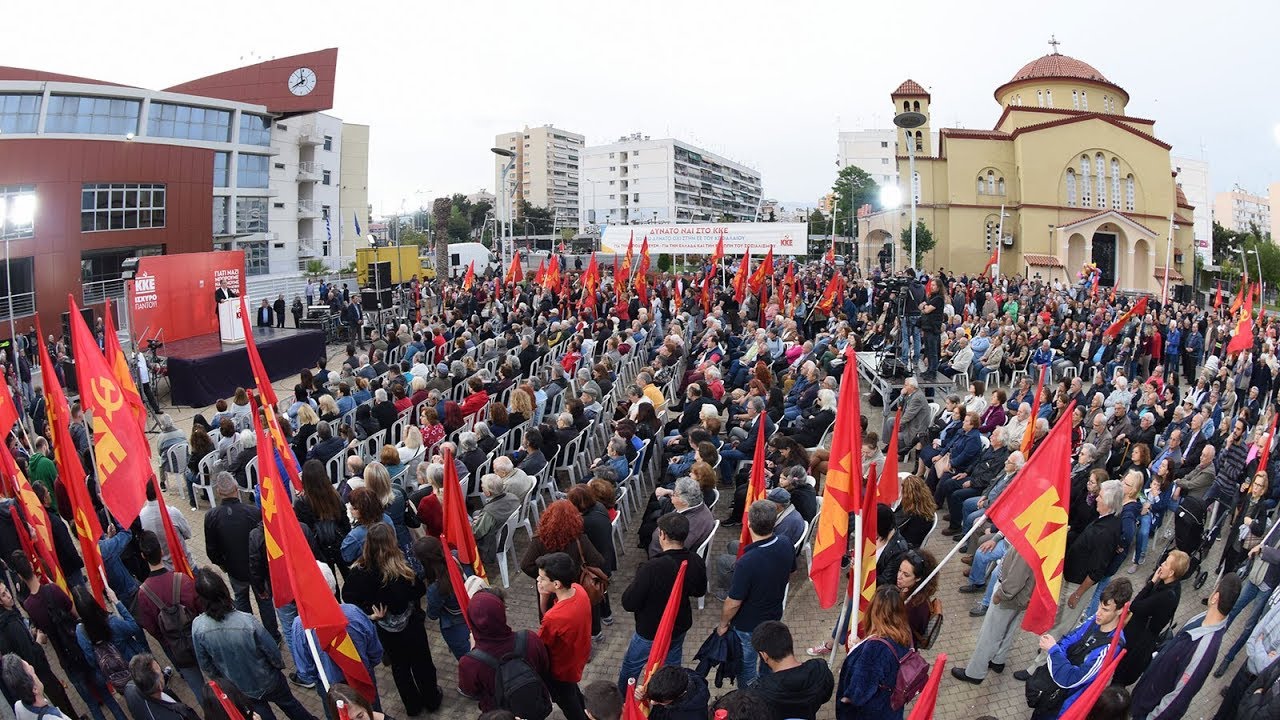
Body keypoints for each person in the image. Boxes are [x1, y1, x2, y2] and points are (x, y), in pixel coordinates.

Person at [11, 550, 127, 720]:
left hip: (66, 660)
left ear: (20, 576)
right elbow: (75, 612)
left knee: (92, 705)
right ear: (31, 565)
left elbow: (43, 635)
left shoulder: (29, 606)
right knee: (108, 697)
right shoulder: (53, 589)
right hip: (81, 648)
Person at [341, 524, 442, 716]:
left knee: (400, 668)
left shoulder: (359, 571)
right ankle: (432, 699)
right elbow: (419, 590)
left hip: (386, 630)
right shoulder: (401, 569)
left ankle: (412, 707)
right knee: (422, 663)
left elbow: (348, 596)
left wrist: (370, 612)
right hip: (411, 625)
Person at [190, 568, 317, 720]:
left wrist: (225, 680)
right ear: (224, 591)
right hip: (269, 679)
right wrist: (278, 666)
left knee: (263, 715)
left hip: (241, 688)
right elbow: (271, 650)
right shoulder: (247, 621)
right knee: (291, 705)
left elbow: (206, 664)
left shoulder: (198, 627)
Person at [618, 512, 708, 693]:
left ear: (662, 535)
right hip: (679, 624)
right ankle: (671, 695)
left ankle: (624, 698)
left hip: (650, 630)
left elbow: (628, 603)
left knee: (632, 665)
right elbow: (699, 591)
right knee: (671, 666)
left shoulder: (651, 567)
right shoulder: (695, 560)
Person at [1130, 573, 1241, 719]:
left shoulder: (1204, 649)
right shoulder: (1202, 617)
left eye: (1215, 588)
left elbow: (1178, 699)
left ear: (1215, 597)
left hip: (1148, 711)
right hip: (1144, 694)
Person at [1028, 578, 1133, 719]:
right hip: (1053, 689)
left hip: (1063, 704)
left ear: (1120, 610)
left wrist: (1054, 652)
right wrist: (1058, 655)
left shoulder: (1111, 647)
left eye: (1105, 609)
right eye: (1099, 606)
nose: (1098, 612)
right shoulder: (1095, 619)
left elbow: (1073, 678)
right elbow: (1069, 638)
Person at [716, 500, 794, 686]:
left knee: (747, 664)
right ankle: (767, 687)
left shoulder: (746, 562)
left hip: (747, 625)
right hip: (774, 615)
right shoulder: (786, 543)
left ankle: (749, 696)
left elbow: (733, 602)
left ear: (749, 523)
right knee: (770, 659)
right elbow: (790, 571)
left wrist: (723, 624)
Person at [204, 472, 278, 642]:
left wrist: (223, 564)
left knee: (242, 602)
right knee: (264, 602)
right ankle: (273, 636)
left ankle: (249, 636)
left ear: (218, 492)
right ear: (236, 488)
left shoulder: (211, 517)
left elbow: (211, 550)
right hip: (258, 569)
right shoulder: (253, 512)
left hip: (234, 569)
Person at [132, 531, 206, 702]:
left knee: (199, 690)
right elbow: (200, 608)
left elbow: (152, 628)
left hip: (177, 648)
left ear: (143, 556)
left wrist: (168, 639)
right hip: (199, 640)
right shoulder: (183, 580)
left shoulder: (143, 594)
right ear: (161, 551)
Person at [457, 589, 552, 716]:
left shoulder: (469, 663)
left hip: (500, 715)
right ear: (502, 614)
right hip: (535, 704)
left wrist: (473, 652)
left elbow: (470, 692)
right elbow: (544, 667)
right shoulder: (530, 638)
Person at [1112, 550, 1190, 686]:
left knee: (1118, 678)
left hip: (1136, 646)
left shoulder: (1165, 596)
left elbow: (1135, 606)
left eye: (1166, 563)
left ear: (1171, 573)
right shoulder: (1174, 586)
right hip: (1140, 639)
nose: (1162, 564)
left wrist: (1152, 582)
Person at [0, 581, 77, 718]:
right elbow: (30, 655)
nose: (9, 595)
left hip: (30, 675)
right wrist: (38, 641)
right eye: (3, 595)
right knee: (59, 696)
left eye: (7, 590)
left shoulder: (8, 618)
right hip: (38, 673)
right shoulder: (11, 624)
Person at [835, 586, 913, 720]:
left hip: (871, 712)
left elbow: (859, 691)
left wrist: (846, 700)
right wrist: (860, 646)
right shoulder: (905, 633)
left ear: (873, 611)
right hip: (892, 706)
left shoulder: (875, 647)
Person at [536, 552, 594, 720]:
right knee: (573, 693)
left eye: (542, 578)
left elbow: (542, 643)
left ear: (556, 584)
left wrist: (542, 597)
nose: (538, 581)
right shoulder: (579, 590)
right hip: (576, 659)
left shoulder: (554, 617)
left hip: (560, 669)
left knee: (569, 703)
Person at [749, 621, 834, 720]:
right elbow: (825, 697)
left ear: (764, 655)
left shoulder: (758, 693)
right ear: (790, 641)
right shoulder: (820, 670)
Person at [411, 536, 470, 660]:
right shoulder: (456, 556)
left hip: (457, 628)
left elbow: (432, 615)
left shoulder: (436, 588)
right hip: (474, 613)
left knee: (468, 661)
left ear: (424, 562)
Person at [122, 654, 201, 720]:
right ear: (159, 685)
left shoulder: (129, 688)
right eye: (161, 672)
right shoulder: (177, 716)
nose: (163, 673)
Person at [471, 473, 520, 564]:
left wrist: (477, 523)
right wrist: (482, 519)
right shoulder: (513, 497)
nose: (481, 487)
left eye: (483, 487)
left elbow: (476, 533)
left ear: (488, 493)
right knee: (476, 514)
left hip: (493, 543)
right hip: (506, 532)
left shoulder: (489, 511)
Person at [2, 653, 68, 720]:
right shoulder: (54, 718)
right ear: (34, 689)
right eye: (32, 671)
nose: (32, 667)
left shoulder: (18, 706)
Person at [637, 665, 710, 720]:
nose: (652, 702)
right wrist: (646, 696)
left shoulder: (694, 716)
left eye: (660, 701)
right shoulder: (676, 675)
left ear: (681, 695)